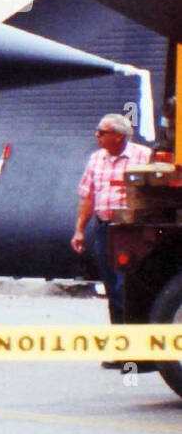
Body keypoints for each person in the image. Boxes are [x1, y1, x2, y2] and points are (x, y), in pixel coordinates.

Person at [71, 114, 151, 324]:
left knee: (127, 287)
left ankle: (137, 344)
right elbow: (88, 197)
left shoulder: (143, 157)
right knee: (112, 288)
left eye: (102, 132)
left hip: (132, 232)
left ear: (118, 136)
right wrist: (79, 230)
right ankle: (119, 344)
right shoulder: (96, 158)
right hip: (105, 231)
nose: (96, 135)